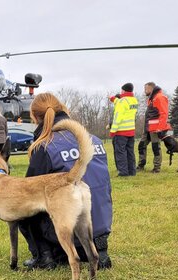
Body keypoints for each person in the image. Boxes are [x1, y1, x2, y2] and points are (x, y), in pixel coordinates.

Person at [19, 93, 113, 270]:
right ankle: (100, 253)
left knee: (23, 208)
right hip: (99, 231)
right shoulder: (96, 141)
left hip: (71, 231)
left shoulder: (45, 146)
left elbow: (28, 192)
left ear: (35, 117)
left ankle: (44, 256)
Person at [138, 81, 171, 173]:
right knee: (141, 145)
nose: (144, 91)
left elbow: (164, 114)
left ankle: (157, 168)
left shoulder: (159, 97)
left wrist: (160, 128)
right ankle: (141, 165)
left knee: (155, 147)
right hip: (148, 128)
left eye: (146, 89)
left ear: (151, 88)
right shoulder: (152, 99)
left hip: (155, 129)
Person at [108, 83, 138, 176]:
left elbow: (118, 116)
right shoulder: (134, 100)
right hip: (131, 130)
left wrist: (113, 130)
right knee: (130, 152)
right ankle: (132, 171)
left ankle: (123, 172)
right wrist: (114, 99)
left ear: (124, 91)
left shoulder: (122, 102)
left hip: (121, 131)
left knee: (121, 152)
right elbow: (122, 103)